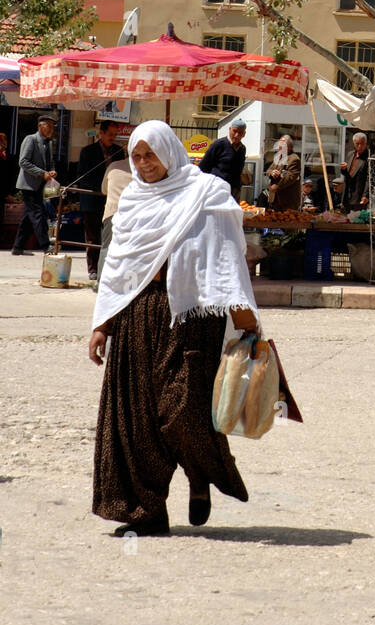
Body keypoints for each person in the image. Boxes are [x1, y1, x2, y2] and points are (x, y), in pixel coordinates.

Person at [89, 121, 260, 537]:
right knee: (137, 418)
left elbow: (226, 262)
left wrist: (247, 327)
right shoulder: (132, 200)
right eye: (139, 157)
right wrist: (102, 325)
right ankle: (144, 510)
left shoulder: (208, 194)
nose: (146, 164)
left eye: (152, 155)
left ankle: (200, 475)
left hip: (192, 318)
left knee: (182, 411)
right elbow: (117, 268)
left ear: (170, 151)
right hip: (138, 316)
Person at [76, 121, 126, 280]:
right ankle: (93, 269)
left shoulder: (118, 151)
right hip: (92, 200)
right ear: (101, 133)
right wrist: (100, 187)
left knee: (110, 237)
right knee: (92, 236)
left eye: (115, 135)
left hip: (111, 201)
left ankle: (107, 269)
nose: (113, 138)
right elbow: (82, 176)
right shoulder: (88, 151)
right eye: (110, 134)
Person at [12, 113, 58, 255]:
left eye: (52, 127)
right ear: (39, 126)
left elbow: (49, 163)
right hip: (28, 185)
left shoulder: (49, 143)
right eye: (48, 126)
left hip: (40, 185)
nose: (51, 129)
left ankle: (18, 247)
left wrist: (51, 172)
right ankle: (45, 245)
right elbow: (23, 162)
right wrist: (42, 173)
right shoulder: (30, 139)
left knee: (29, 217)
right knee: (38, 214)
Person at [97, 157, 133, 282]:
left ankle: (100, 280)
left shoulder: (113, 166)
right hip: (132, 214)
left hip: (112, 212)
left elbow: (104, 189)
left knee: (106, 246)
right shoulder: (141, 169)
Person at [198, 119, 247, 200]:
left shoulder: (242, 149)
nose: (237, 135)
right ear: (229, 129)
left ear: (244, 134)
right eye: (234, 131)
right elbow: (203, 166)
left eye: (240, 133)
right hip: (218, 188)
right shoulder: (219, 145)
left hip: (234, 190)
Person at [267, 133, 301, 210]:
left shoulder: (294, 159)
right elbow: (268, 170)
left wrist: (276, 186)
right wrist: (272, 173)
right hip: (275, 199)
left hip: (287, 200)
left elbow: (291, 177)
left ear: (288, 146)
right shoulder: (279, 157)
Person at [340, 132, 370, 211]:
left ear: (366, 143)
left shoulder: (369, 158)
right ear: (354, 143)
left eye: (362, 144)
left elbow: (369, 179)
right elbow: (346, 174)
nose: (360, 146)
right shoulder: (350, 154)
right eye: (357, 144)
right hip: (347, 193)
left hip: (359, 194)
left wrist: (366, 195)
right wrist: (343, 169)